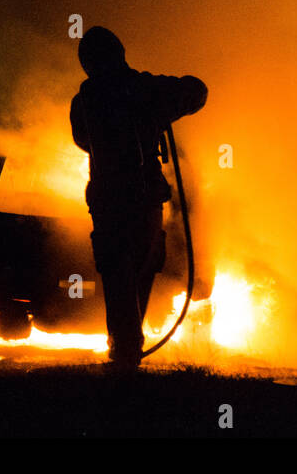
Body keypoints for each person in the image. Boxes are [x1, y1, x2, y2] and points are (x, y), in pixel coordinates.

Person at [70, 26, 207, 370]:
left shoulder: (85, 99)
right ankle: (127, 350)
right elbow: (197, 91)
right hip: (144, 201)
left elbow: (83, 141)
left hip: (108, 201)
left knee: (118, 272)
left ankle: (125, 349)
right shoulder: (146, 89)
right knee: (140, 267)